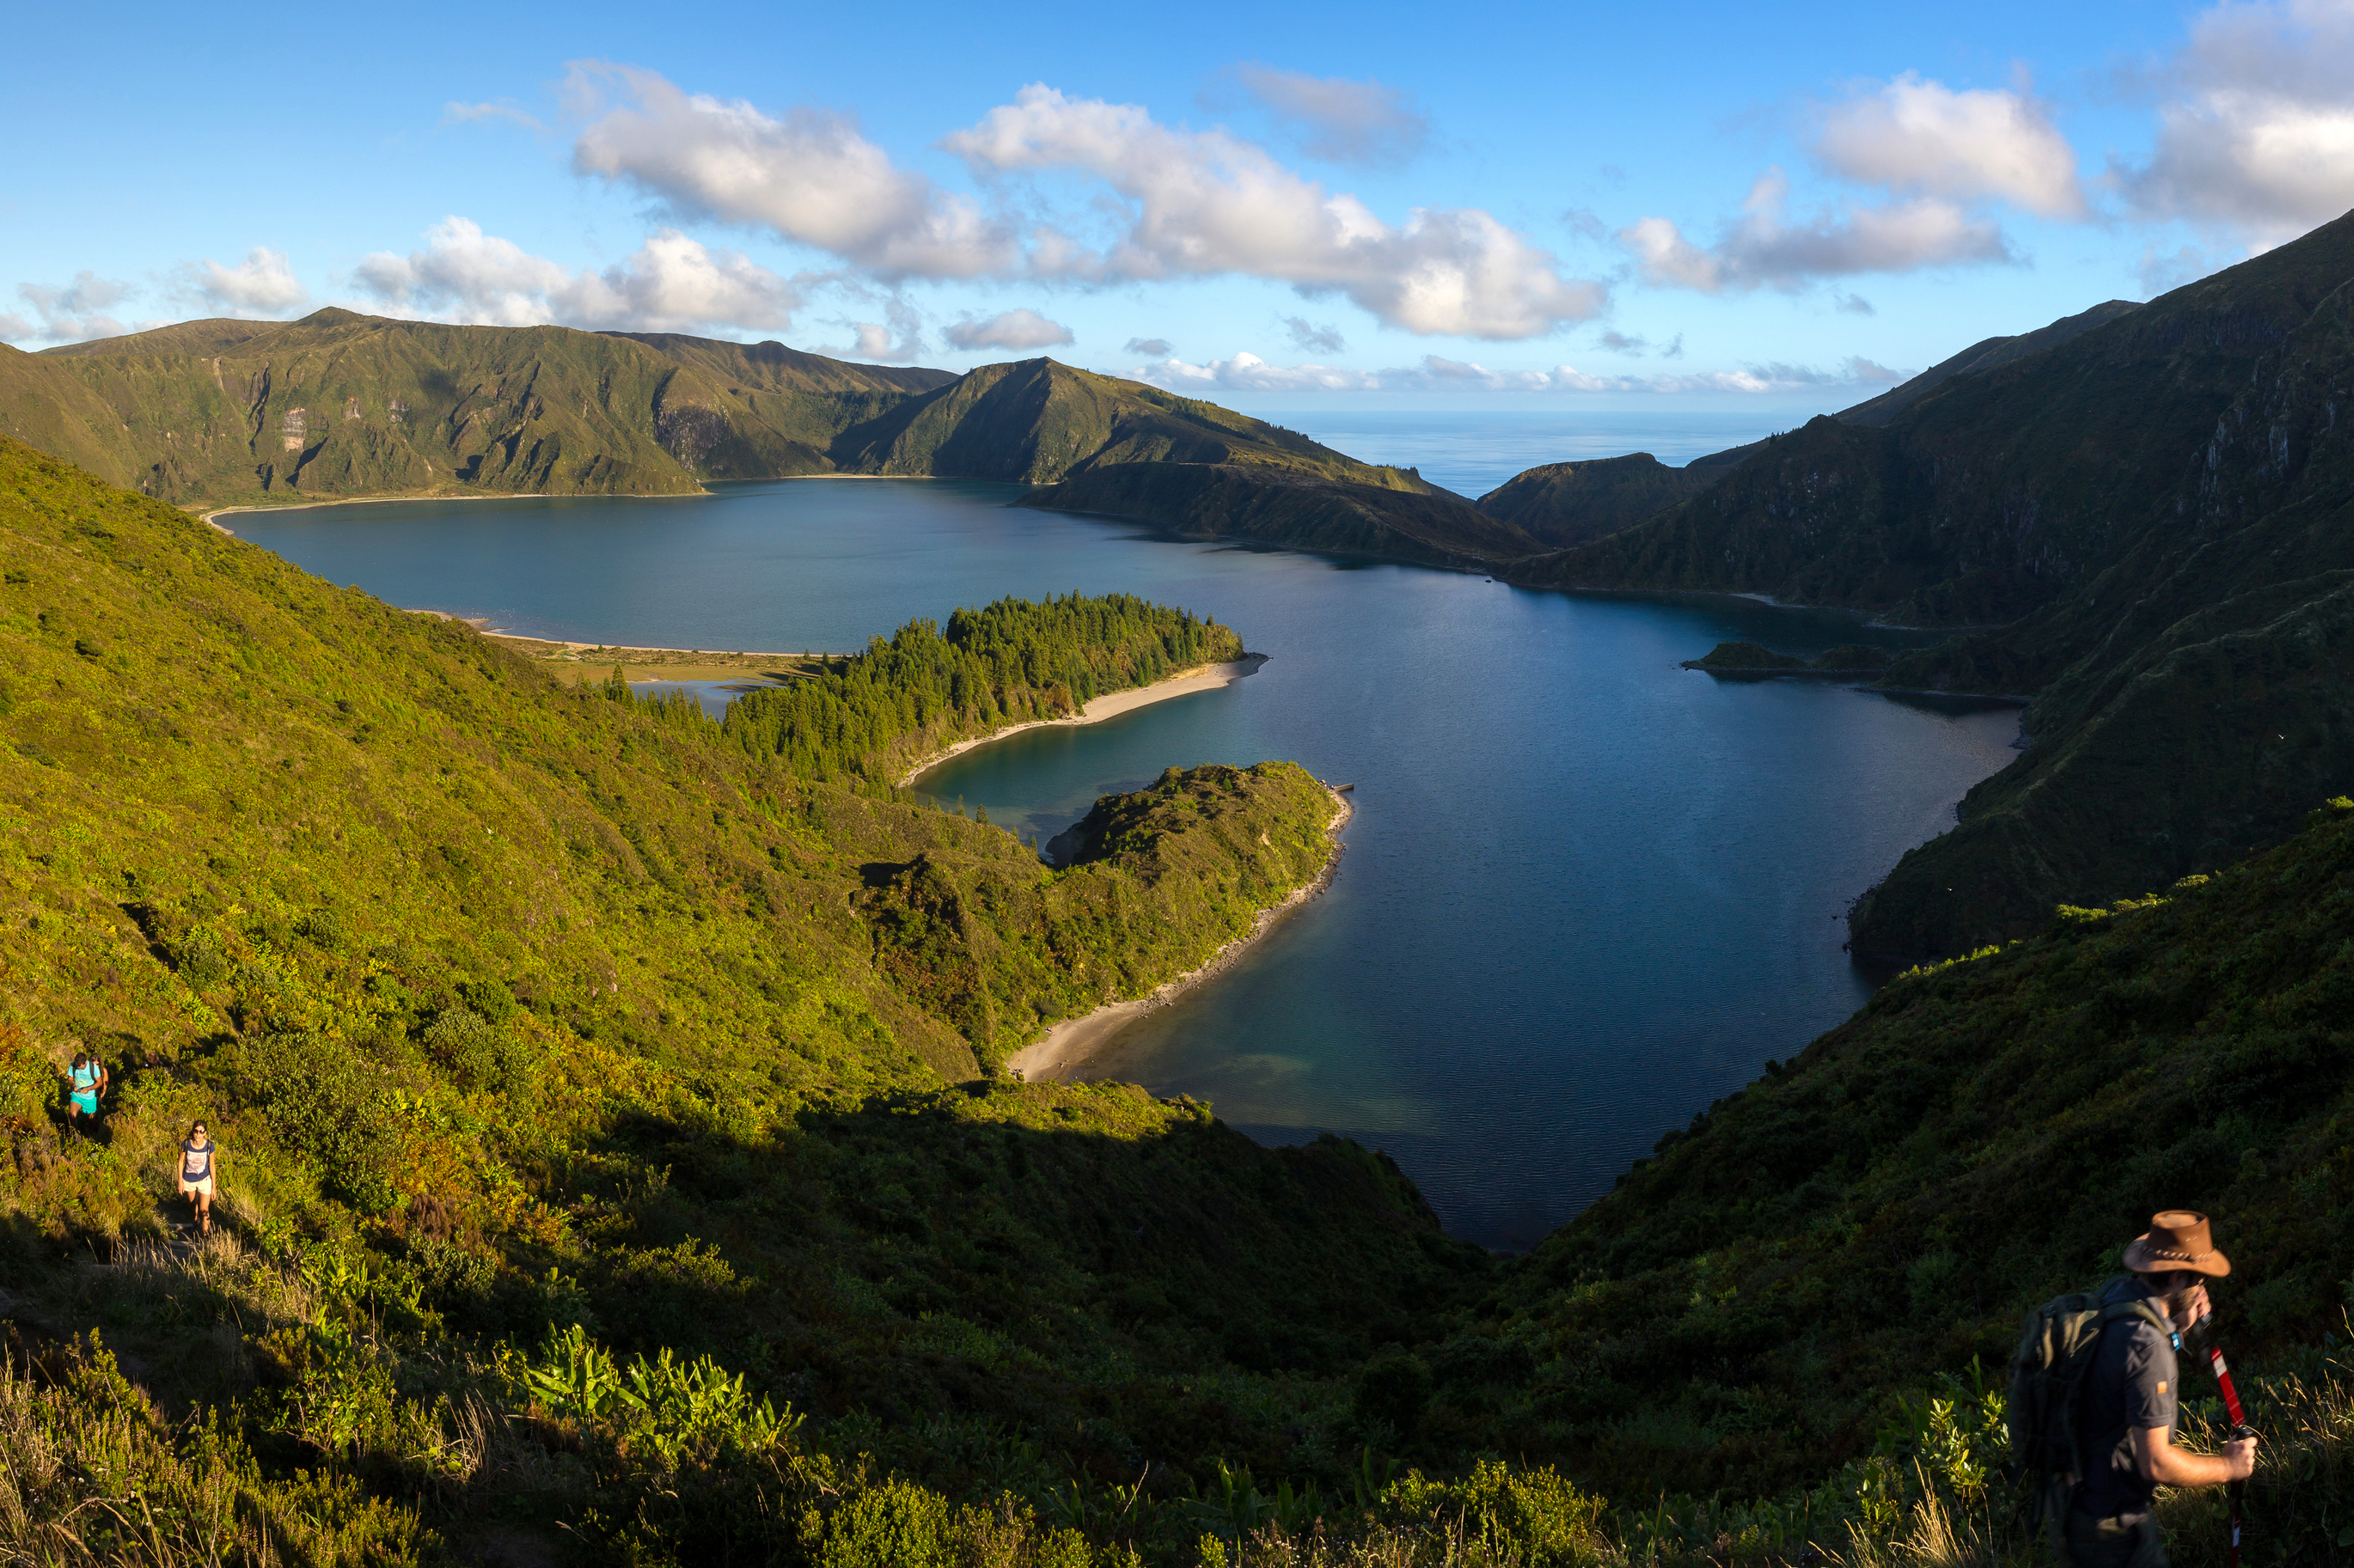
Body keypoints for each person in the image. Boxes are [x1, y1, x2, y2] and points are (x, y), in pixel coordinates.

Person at [2068, 1211, 2259, 1567]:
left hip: (2080, 1509)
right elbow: (2156, 1464)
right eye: (2199, 1282)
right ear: (2175, 1277)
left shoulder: (2119, 1295)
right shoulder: (2148, 1345)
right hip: (2114, 1533)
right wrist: (2229, 1467)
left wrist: (2183, 1321)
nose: (2204, 1293)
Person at [176, 1121, 219, 1236]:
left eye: (201, 1131)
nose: (198, 1134)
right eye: (196, 1131)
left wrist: (214, 1187)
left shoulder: (210, 1146)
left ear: (205, 1133)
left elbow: (212, 1166)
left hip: (204, 1180)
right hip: (189, 1179)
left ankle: (205, 1235)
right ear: (193, 1131)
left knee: (204, 1210)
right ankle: (196, 1221)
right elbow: (181, 1162)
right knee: (192, 1204)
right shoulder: (186, 1144)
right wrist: (180, 1181)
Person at [63, 1050, 104, 1132]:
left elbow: (100, 1083)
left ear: (85, 1063)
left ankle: (90, 1136)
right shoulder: (72, 1065)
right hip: (76, 1095)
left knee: (91, 1120)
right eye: (77, 1068)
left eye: (80, 1067)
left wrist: (88, 1089)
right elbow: (70, 1079)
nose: (79, 1069)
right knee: (72, 1116)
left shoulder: (93, 1068)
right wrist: (72, 1085)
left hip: (89, 1097)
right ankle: (75, 1136)